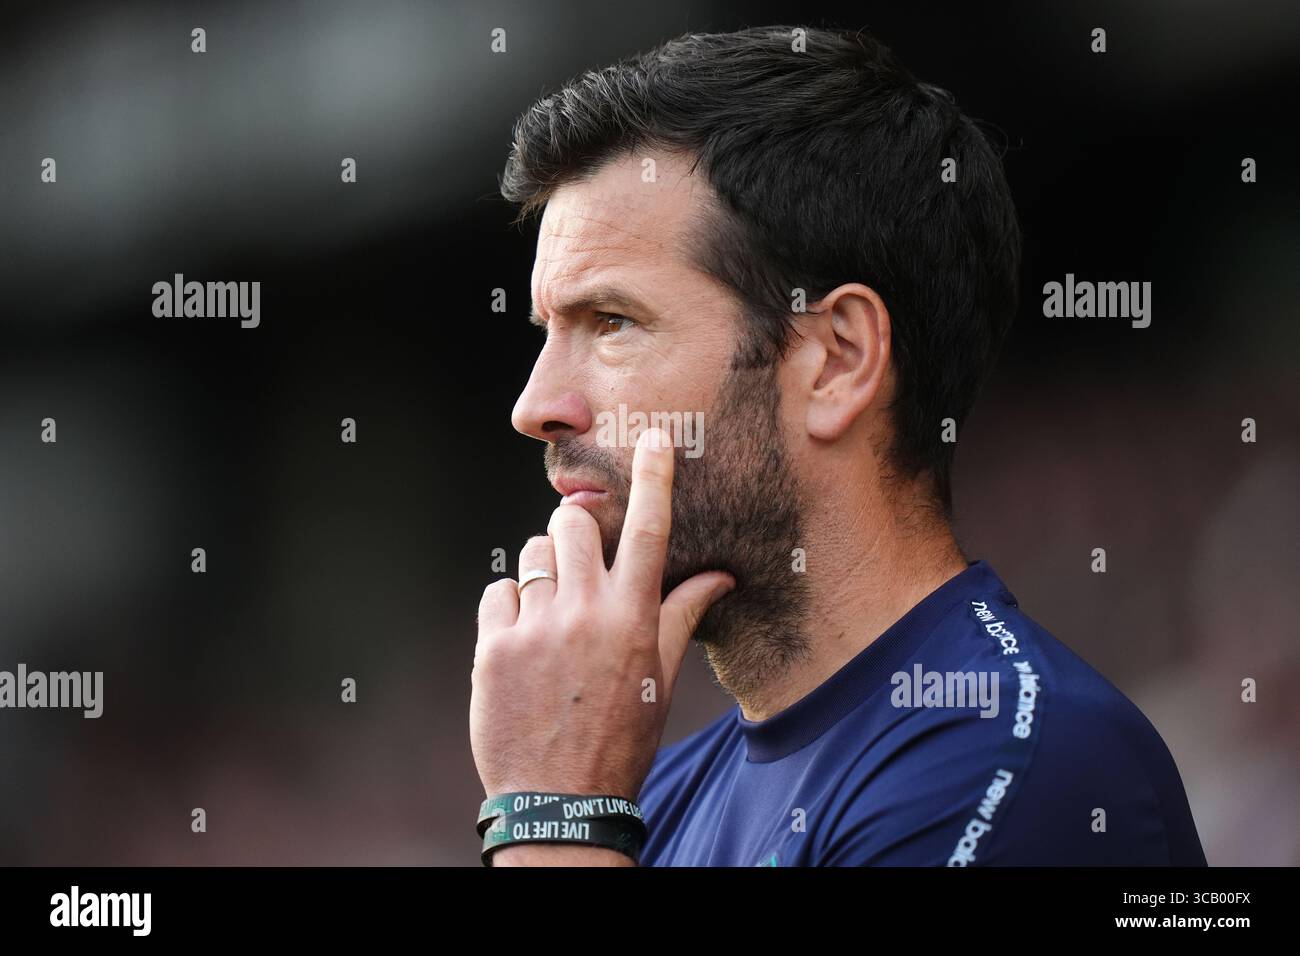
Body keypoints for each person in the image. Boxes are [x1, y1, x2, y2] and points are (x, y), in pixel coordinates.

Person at [470, 25, 1206, 866]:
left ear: (837, 362)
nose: (535, 407)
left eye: (611, 323)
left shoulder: (1025, 763)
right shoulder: (653, 801)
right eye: (546, 332)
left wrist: (552, 827)